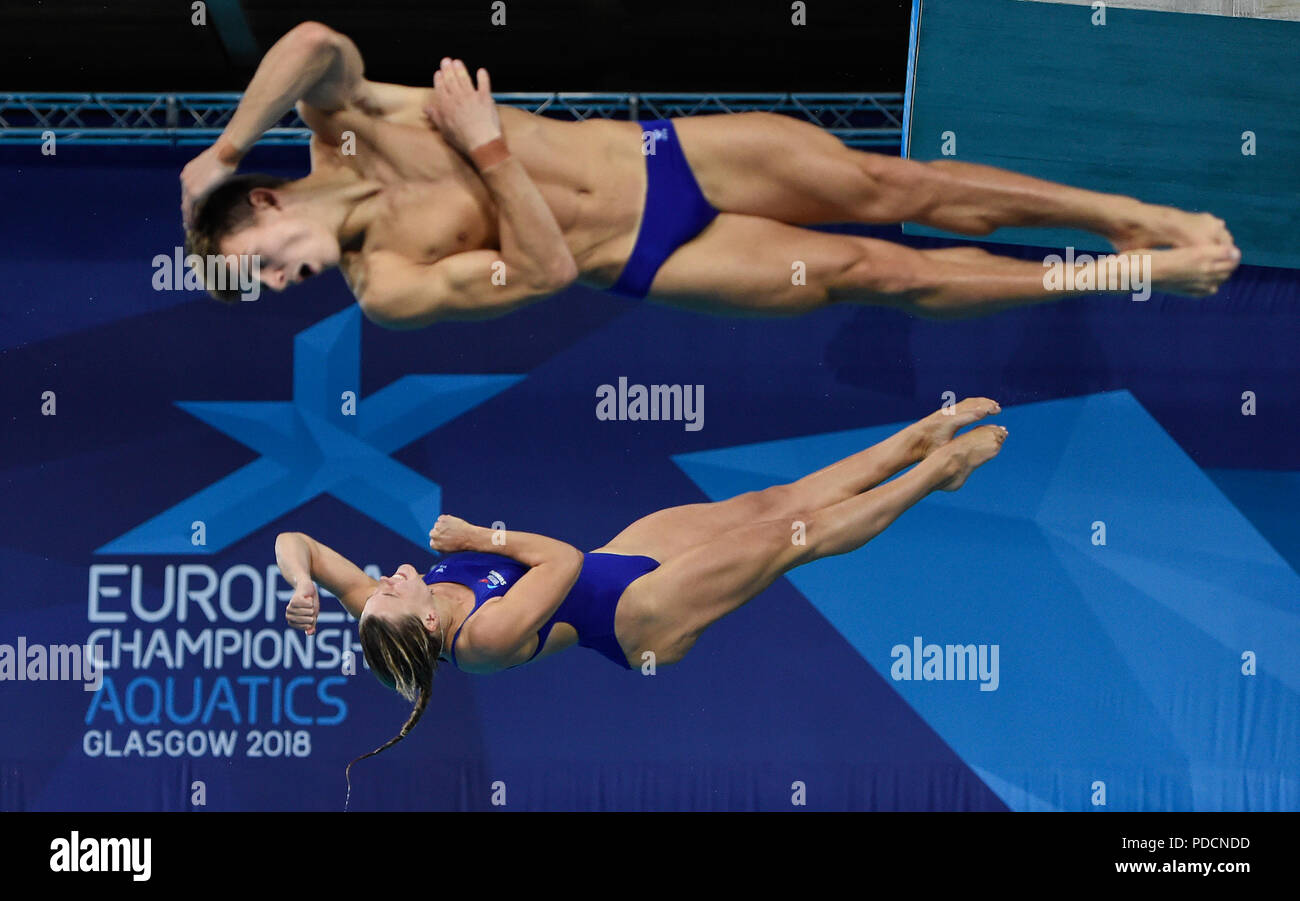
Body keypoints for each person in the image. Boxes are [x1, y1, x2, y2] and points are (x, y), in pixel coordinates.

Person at [182, 22, 1240, 326]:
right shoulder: (391, 291)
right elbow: (546, 273)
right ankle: (1123, 274)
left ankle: (1131, 215)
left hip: (667, 151)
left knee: (898, 188)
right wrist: (487, 145)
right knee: (882, 273)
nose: (283, 286)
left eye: (261, 265)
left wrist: (224, 146)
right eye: (265, 290)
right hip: (652, 251)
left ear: (267, 201)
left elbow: (313, 39)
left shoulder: (343, 127)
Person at [273, 397, 1007, 781]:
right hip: (641, 616)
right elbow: (558, 562)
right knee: (795, 537)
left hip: (620, 558)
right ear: (426, 626)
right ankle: (935, 474)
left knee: (773, 503)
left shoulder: (389, 608)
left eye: (383, 585)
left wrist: (305, 582)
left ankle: (911, 440)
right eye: (395, 590)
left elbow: (297, 539)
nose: (392, 577)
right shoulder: (482, 642)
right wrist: (478, 539)